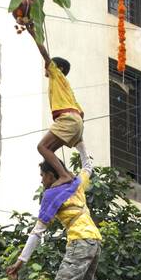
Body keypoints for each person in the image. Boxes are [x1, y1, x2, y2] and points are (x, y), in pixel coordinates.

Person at [9, 156, 101, 280]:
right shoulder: (76, 183)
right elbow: (88, 167)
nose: (42, 180)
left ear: (51, 175)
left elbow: (37, 232)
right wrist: (80, 142)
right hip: (94, 241)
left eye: (42, 176)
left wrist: (20, 261)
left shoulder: (52, 196)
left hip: (80, 240)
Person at [23, 22, 86, 185]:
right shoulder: (67, 88)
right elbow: (82, 114)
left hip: (67, 118)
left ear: (59, 68)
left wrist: (33, 33)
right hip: (76, 121)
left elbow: (45, 55)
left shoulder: (57, 75)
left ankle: (64, 175)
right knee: (48, 151)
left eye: (49, 66)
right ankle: (67, 174)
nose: (46, 67)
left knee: (41, 147)